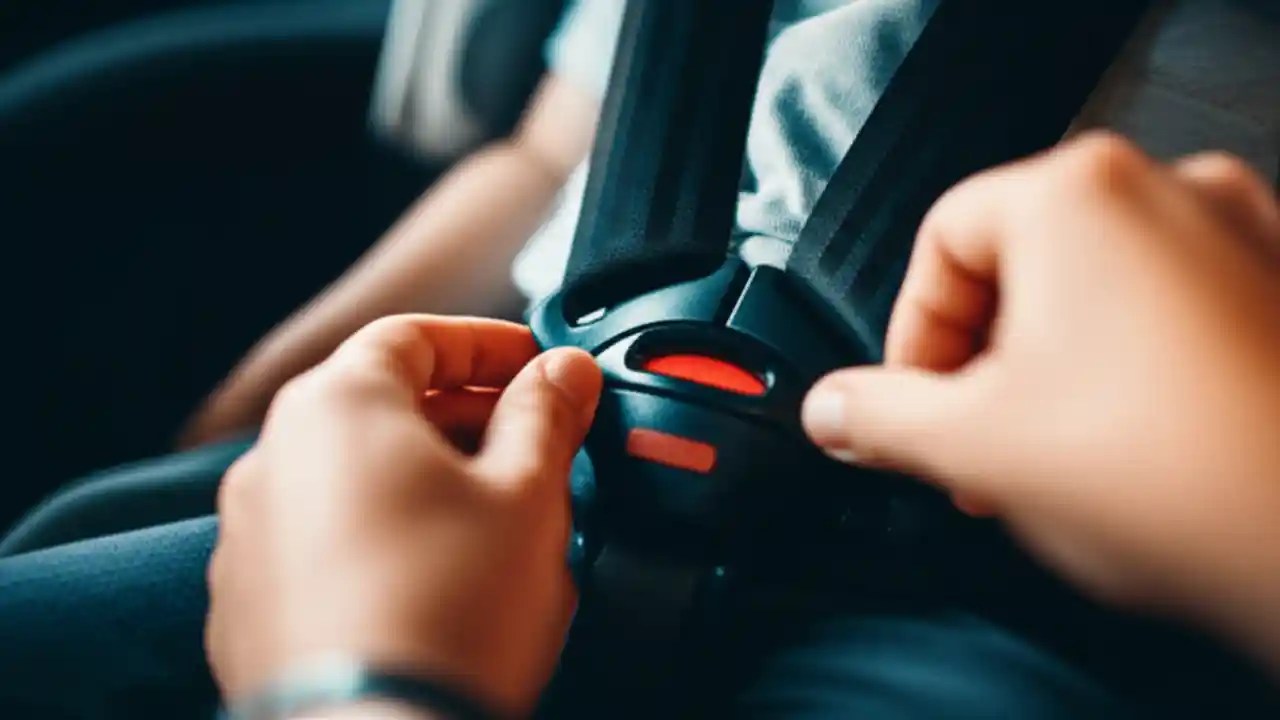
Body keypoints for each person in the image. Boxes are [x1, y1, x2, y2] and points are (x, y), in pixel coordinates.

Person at [198, 134, 1280, 720]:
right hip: (500, 463)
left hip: (999, 572)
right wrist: (249, 405)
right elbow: (546, 152)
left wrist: (350, 686)